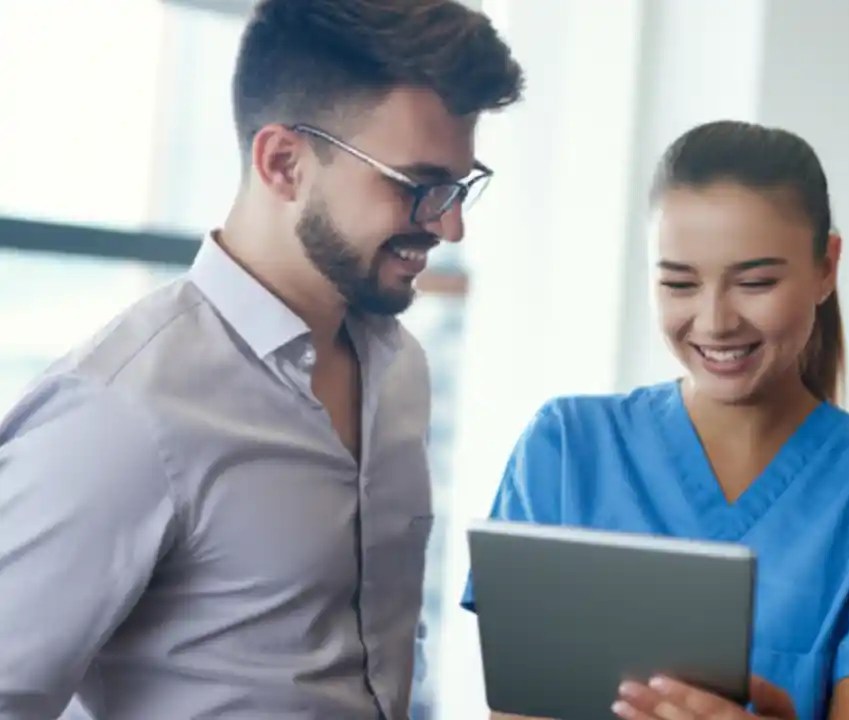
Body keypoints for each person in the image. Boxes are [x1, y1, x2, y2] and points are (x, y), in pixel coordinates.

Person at [0, 1, 522, 717]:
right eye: (416, 187)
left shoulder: (401, 370)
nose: (450, 225)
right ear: (284, 163)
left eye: (459, 187)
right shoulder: (120, 411)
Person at [462, 120, 849, 720]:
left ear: (826, 267)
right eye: (679, 283)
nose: (715, 322)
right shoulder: (565, 450)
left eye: (756, 282)